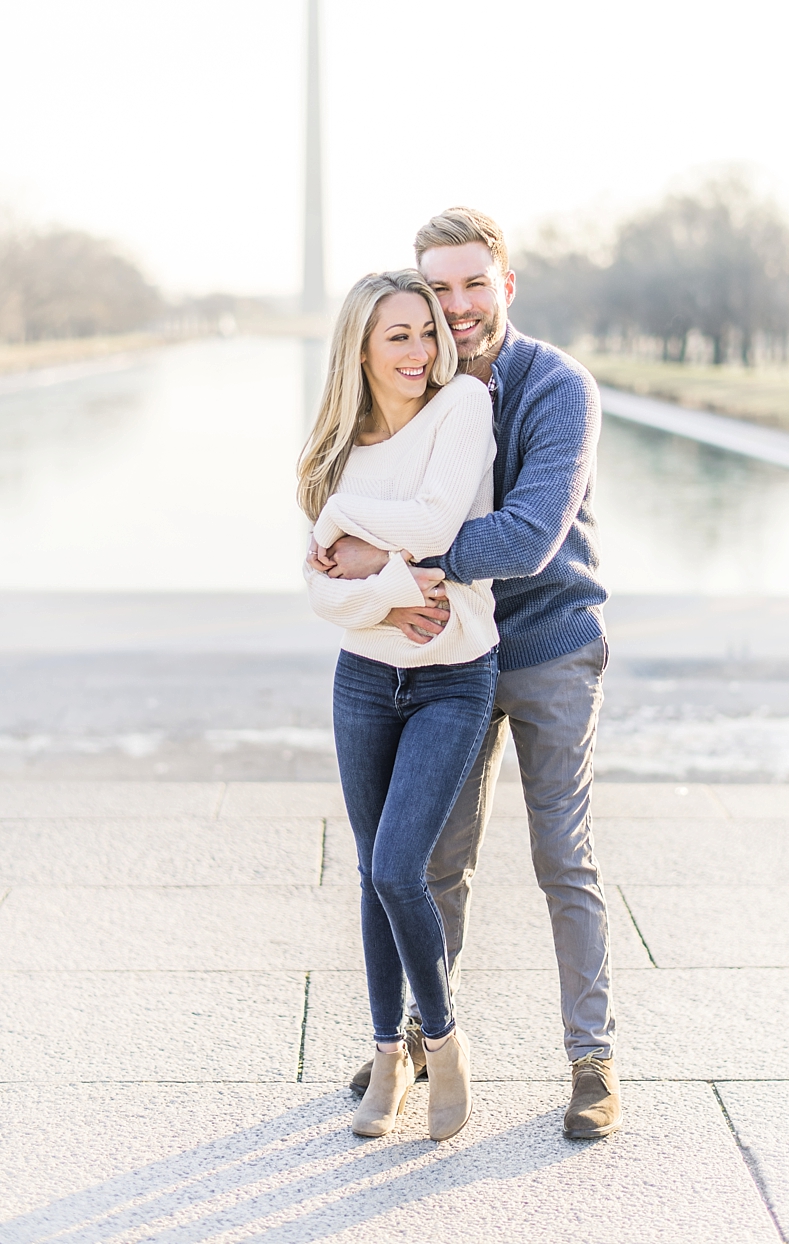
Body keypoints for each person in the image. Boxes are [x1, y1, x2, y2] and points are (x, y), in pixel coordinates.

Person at [320, 209, 621, 1139]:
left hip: (551, 645)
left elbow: (527, 539)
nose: (454, 308)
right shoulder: (423, 386)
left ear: (507, 286)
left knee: (562, 858)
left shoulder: (556, 386)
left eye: (472, 285)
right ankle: (415, 1039)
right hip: (452, 656)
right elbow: (335, 508)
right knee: (432, 863)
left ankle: (592, 1058)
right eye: (436, 288)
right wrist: (364, 549)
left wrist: (387, 554)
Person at [299, 267, 499, 1142]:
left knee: (397, 870)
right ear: (362, 348)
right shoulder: (339, 448)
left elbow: (437, 521)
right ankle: (387, 1056)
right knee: (368, 876)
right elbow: (320, 594)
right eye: (400, 336)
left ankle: (442, 1042)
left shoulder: (462, 408)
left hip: (454, 675)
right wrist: (389, 591)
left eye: (427, 331)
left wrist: (353, 536)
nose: (422, 350)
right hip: (362, 681)